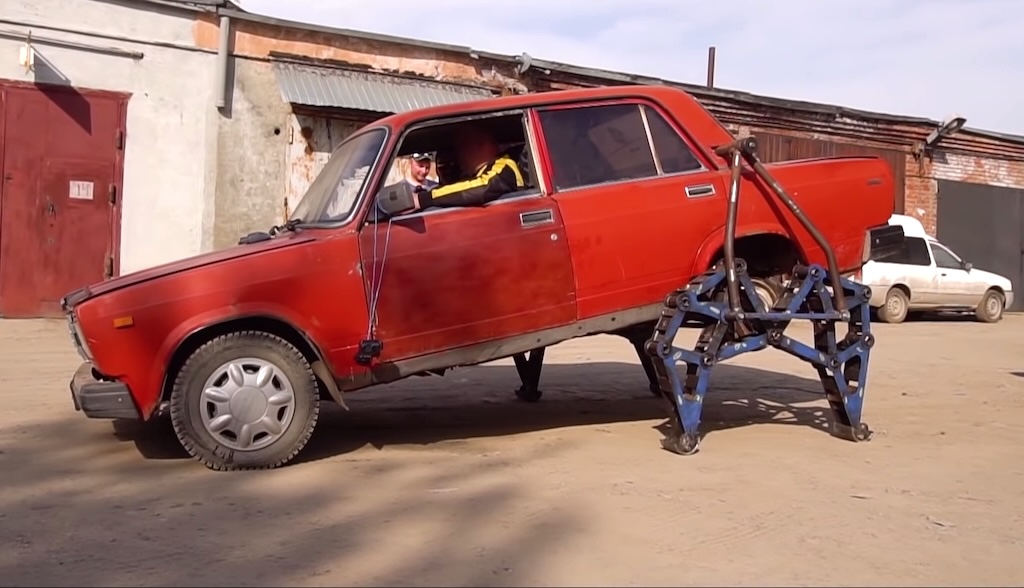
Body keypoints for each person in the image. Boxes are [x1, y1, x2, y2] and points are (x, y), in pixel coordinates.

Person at [407, 125, 526, 212]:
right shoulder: (476, 174)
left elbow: (483, 186)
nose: (458, 156)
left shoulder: (505, 164)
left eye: (460, 147)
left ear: (479, 145)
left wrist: (423, 199)